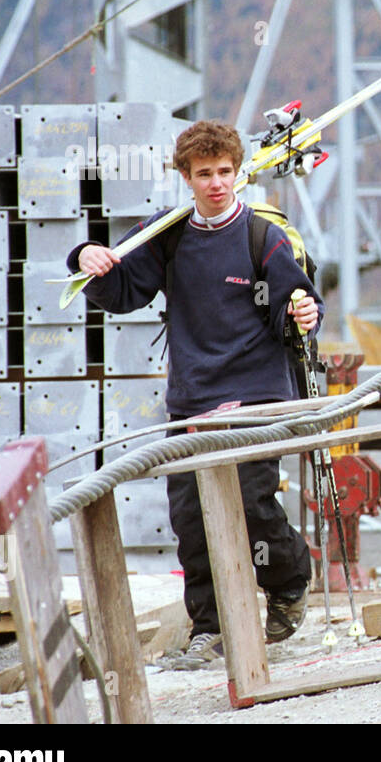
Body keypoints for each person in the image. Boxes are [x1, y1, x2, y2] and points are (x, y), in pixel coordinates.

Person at [68, 120, 320, 667]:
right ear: (185, 177)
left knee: (251, 500)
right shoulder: (171, 233)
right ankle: (212, 627)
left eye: (225, 172)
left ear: (239, 173)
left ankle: (289, 580)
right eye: (204, 174)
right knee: (191, 519)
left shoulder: (264, 236)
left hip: (257, 393)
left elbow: (299, 303)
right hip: (192, 400)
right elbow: (122, 291)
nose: (216, 184)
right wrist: (87, 258)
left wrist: (305, 312)